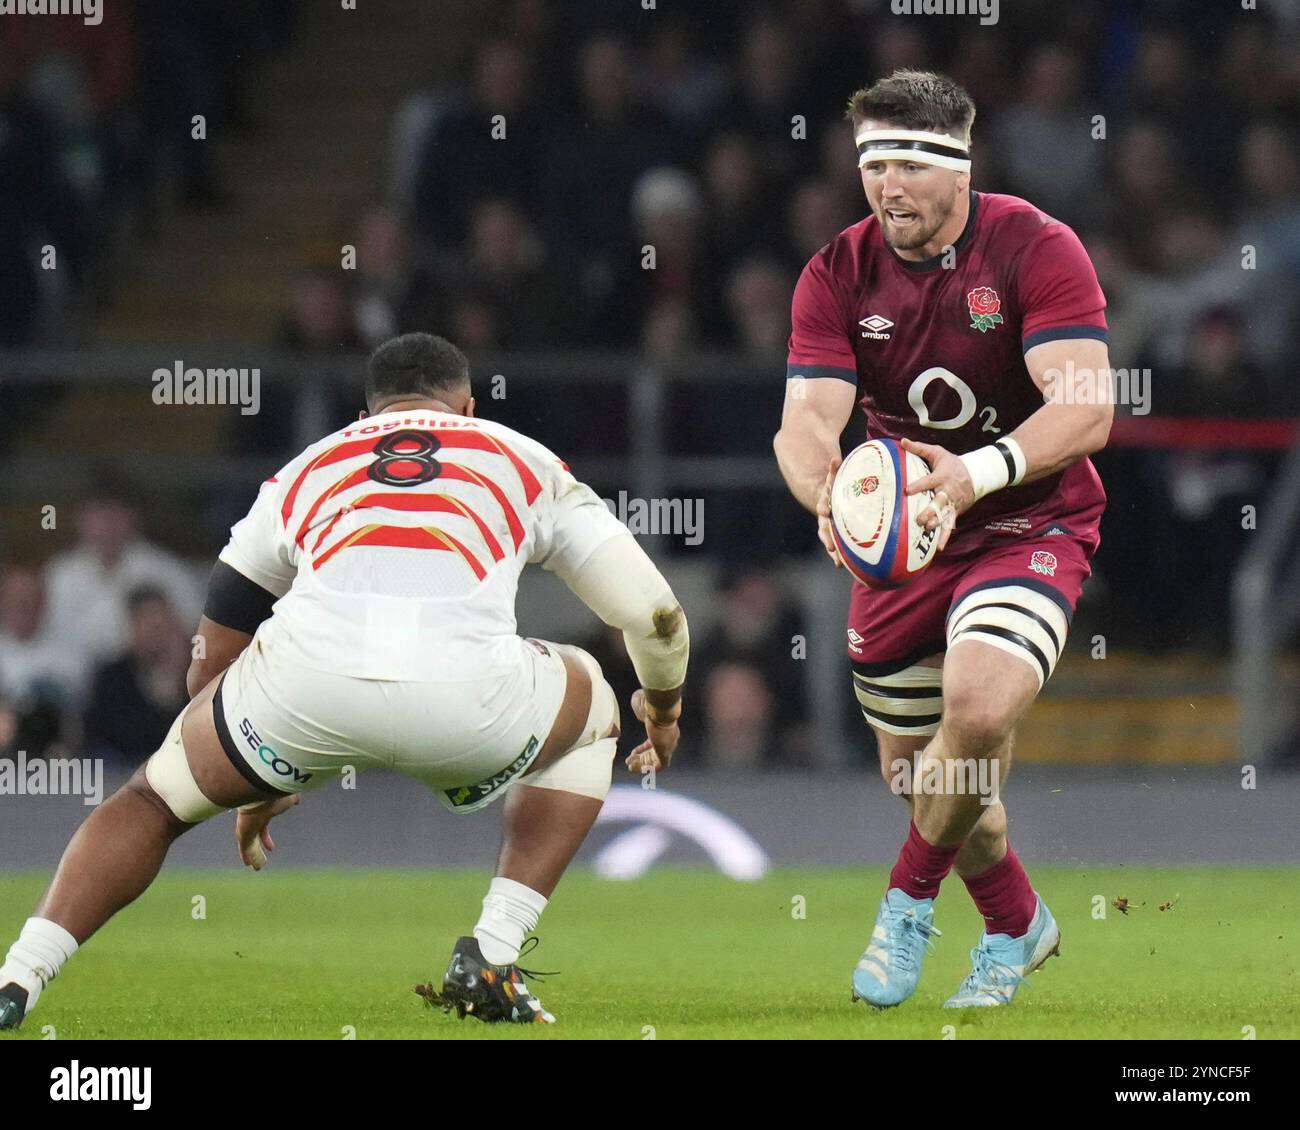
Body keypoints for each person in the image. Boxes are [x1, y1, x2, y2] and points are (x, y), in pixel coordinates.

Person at [0, 333, 689, 1030]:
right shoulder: (525, 459)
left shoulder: (308, 467)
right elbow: (655, 616)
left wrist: (241, 760)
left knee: (151, 801)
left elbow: (216, 644)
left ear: (367, 416)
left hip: (302, 693)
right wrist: (660, 712)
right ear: (470, 408)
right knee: (597, 701)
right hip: (470, 704)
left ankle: (18, 977)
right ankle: (490, 953)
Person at [774, 71, 1113, 1009]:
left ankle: (905, 906)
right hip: (909, 539)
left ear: (960, 169)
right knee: (934, 785)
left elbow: (1085, 408)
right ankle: (1017, 924)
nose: (890, 187)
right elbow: (806, 421)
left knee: (980, 700)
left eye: (912, 166)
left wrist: (974, 476)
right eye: (874, 164)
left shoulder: (1037, 247)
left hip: (1023, 519)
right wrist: (827, 497)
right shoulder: (836, 272)